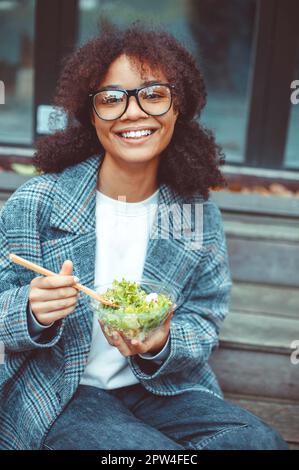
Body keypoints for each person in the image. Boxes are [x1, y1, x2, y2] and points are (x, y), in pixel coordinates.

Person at [0, 23, 287, 450]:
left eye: (153, 95)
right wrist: (33, 309)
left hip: (160, 386)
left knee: (259, 444)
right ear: (90, 113)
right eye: (112, 99)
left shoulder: (194, 211)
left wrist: (161, 342)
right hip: (62, 391)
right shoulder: (40, 201)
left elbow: (205, 318)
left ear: (177, 107)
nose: (133, 113)